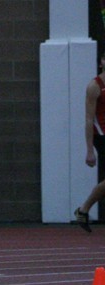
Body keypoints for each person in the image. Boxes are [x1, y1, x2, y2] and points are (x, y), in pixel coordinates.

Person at [78, 49, 105, 232]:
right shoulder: (94, 86)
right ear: (102, 62)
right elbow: (89, 119)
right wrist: (89, 150)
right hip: (102, 135)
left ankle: (83, 210)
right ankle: (84, 208)